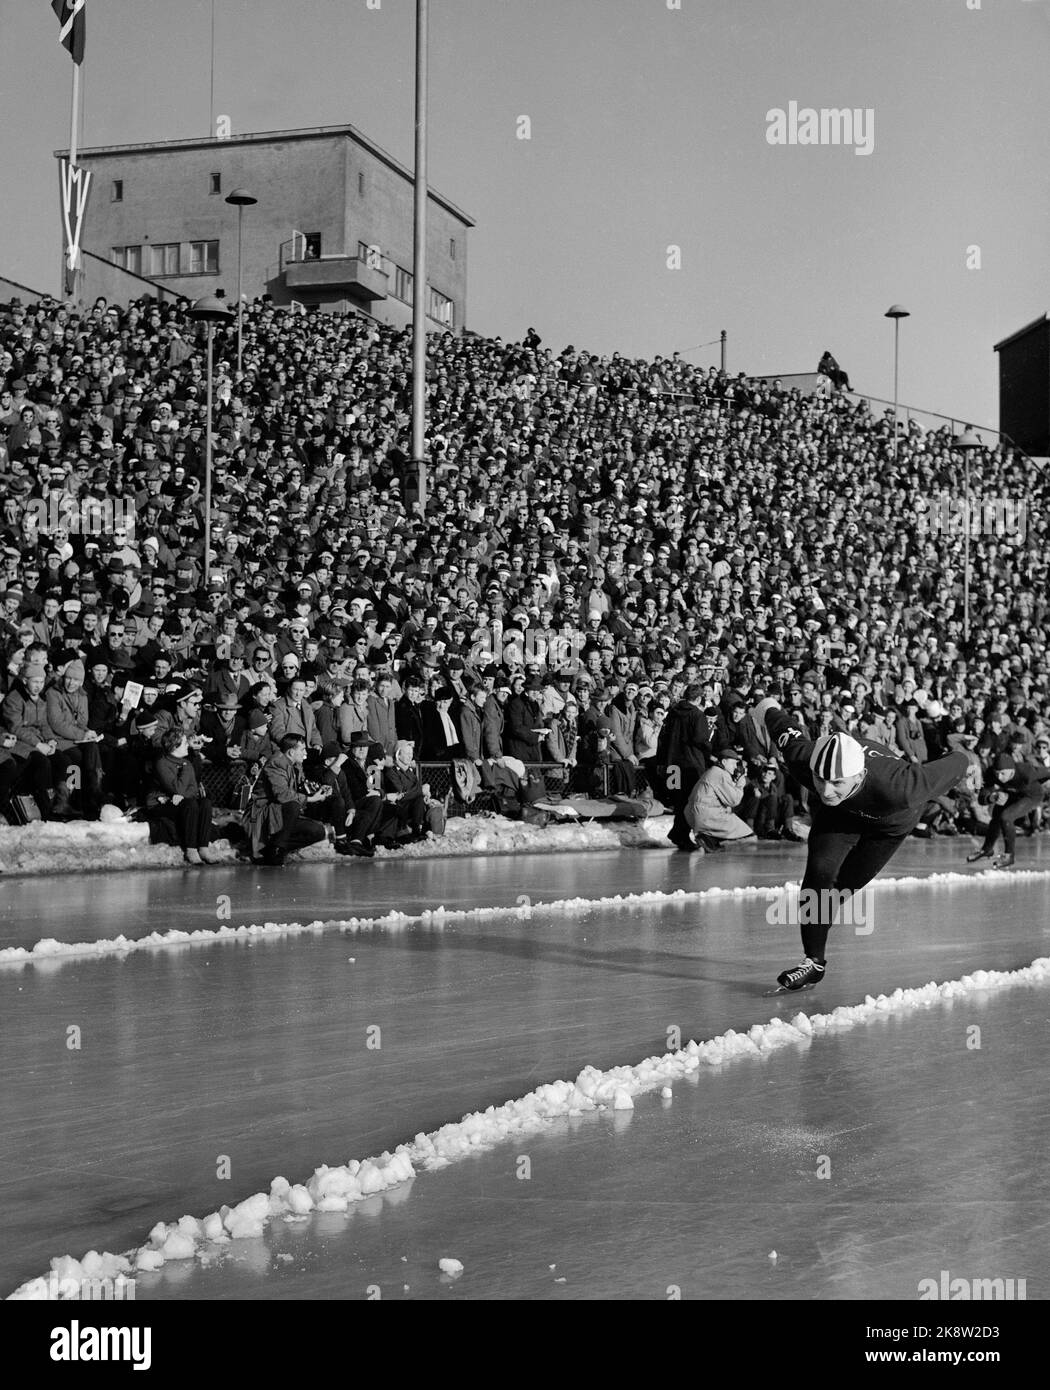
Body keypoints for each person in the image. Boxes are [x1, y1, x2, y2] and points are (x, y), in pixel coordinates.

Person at [749, 696, 968, 991]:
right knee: (817, 878)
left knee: (840, 890)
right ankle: (813, 962)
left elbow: (959, 761)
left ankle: (824, 919)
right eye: (820, 779)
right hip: (840, 816)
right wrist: (766, 705)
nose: (826, 790)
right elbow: (780, 723)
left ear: (860, 774)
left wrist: (964, 775)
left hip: (889, 826)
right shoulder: (805, 758)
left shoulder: (902, 786)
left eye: (836, 782)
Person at [250, 732, 329, 865]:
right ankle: (275, 851)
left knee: (318, 831)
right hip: (262, 814)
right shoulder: (277, 762)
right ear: (291, 752)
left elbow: (296, 789)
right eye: (302, 749)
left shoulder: (294, 764)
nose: (305, 753)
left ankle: (274, 848)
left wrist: (317, 790)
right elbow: (282, 795)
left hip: (279, 814)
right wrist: (311, 799)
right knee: (293, 805)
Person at [966, 754, 1050, 869]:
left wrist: (1035, 784)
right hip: (1012, 793)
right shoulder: (991, 774)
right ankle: (987, 849)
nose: (999, 777)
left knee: (1006, 817)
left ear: (1012, 771)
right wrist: (992, 797)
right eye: (997, 773)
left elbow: (1046, 773)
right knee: (996, 817)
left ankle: (1009, 856)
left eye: (1003, 773)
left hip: (1031, 796)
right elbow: (982, 797)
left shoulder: (1026, 771)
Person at [147, 726, 216, 864]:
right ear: (175, 746)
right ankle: (191, 849)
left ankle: (203, 847)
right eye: (184, 743)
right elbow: (176, 788)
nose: (187, 746)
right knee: (190, 804)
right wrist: (181, 791)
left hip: (179, 799)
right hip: (160, 802)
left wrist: (182, 795)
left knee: (205, 803)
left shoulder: (187, 763)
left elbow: (193, 789)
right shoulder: (162, 763)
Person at [685, 748, 755, 851]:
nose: (735, 767)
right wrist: (741, 783)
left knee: (727, 824)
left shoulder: (712, 771)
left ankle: (708, 839)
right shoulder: (721, 774)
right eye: (733, 764)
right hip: (707, 815)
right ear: (724, 762)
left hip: (694, 814)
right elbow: (733, 800)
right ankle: (709, 839)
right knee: (750, 837)